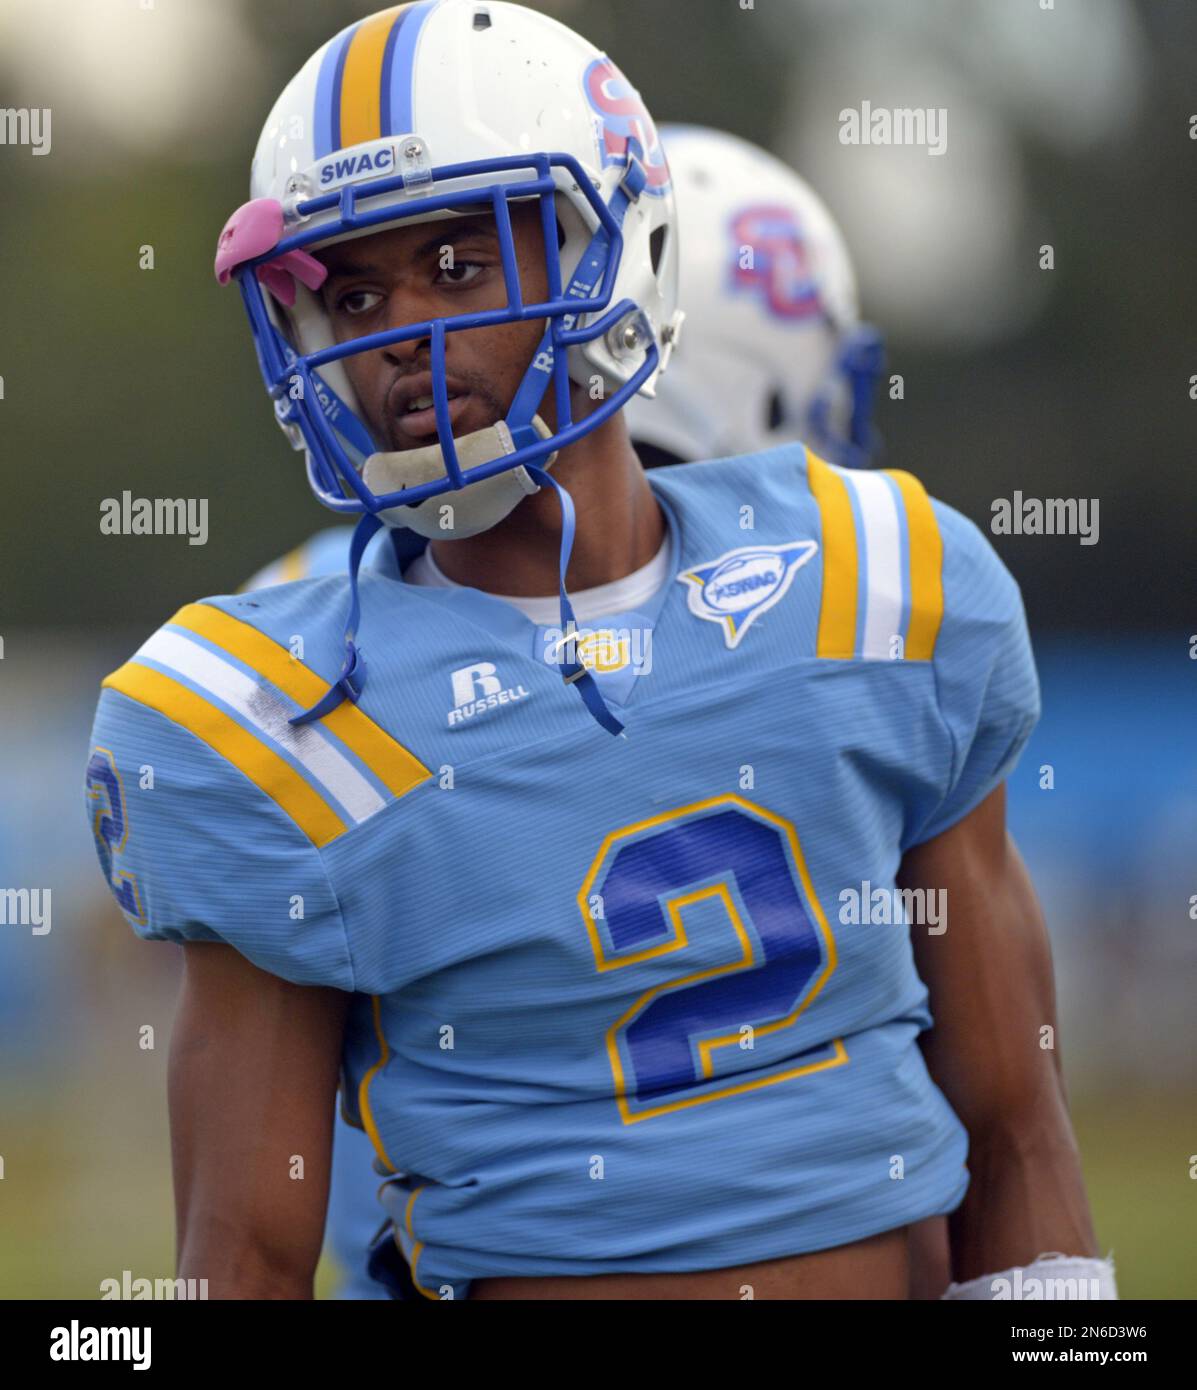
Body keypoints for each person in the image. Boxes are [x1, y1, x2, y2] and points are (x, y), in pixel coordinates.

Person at [85, 0, 1111, 1300]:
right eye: (352, 290)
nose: (399, 330)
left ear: (614, 250)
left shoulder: (875, 583)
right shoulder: (273, 714)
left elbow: (1017, 1124)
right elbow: (244, 1253)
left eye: (457, 265)